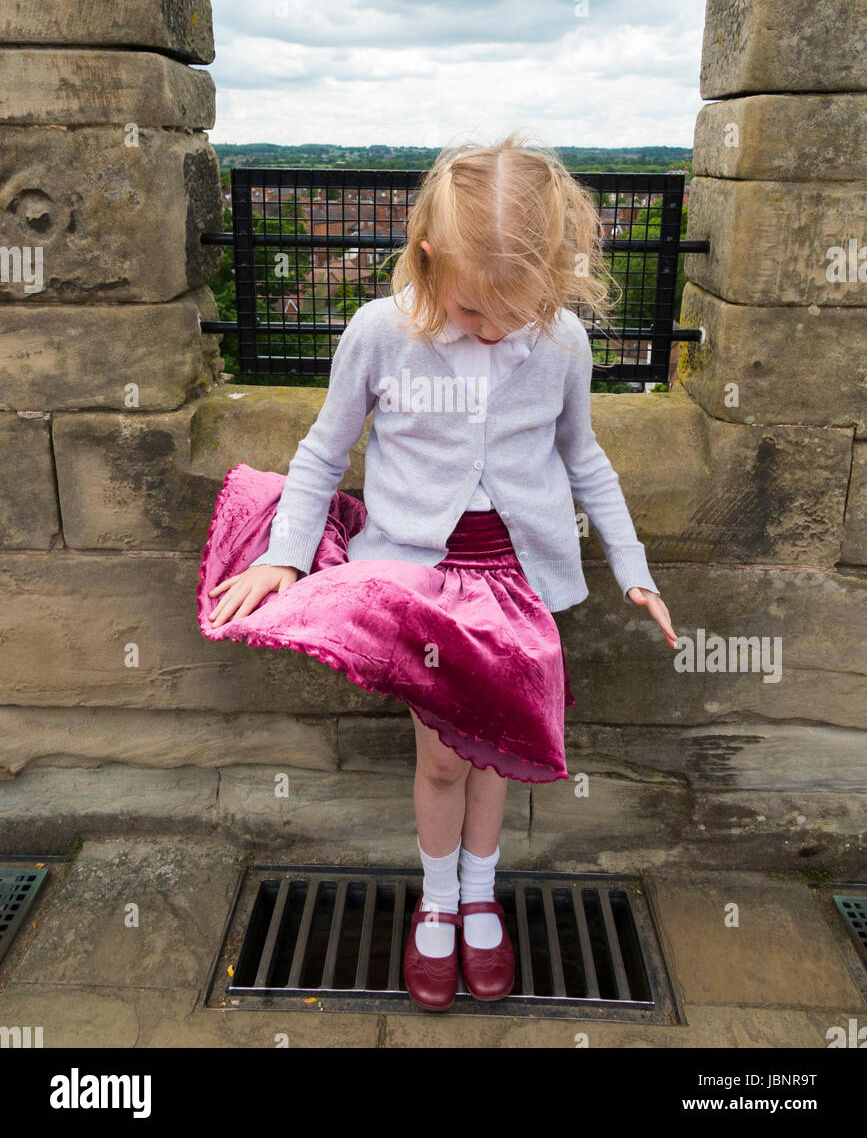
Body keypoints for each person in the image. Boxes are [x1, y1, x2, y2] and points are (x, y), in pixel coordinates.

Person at [196, 131, 677, 1012]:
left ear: (555, 275)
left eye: (515, 310)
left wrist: (632, 566)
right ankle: (439, 900)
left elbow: (585, 459)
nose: (493, 329)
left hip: (520, 581)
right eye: (471, 312)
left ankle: (484, 893)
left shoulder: (561, 339)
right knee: (445, 759)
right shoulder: (380, 333)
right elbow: (319, 455)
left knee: (493, 754)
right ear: (427, 258)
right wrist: (281, 556)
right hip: (420, 583)